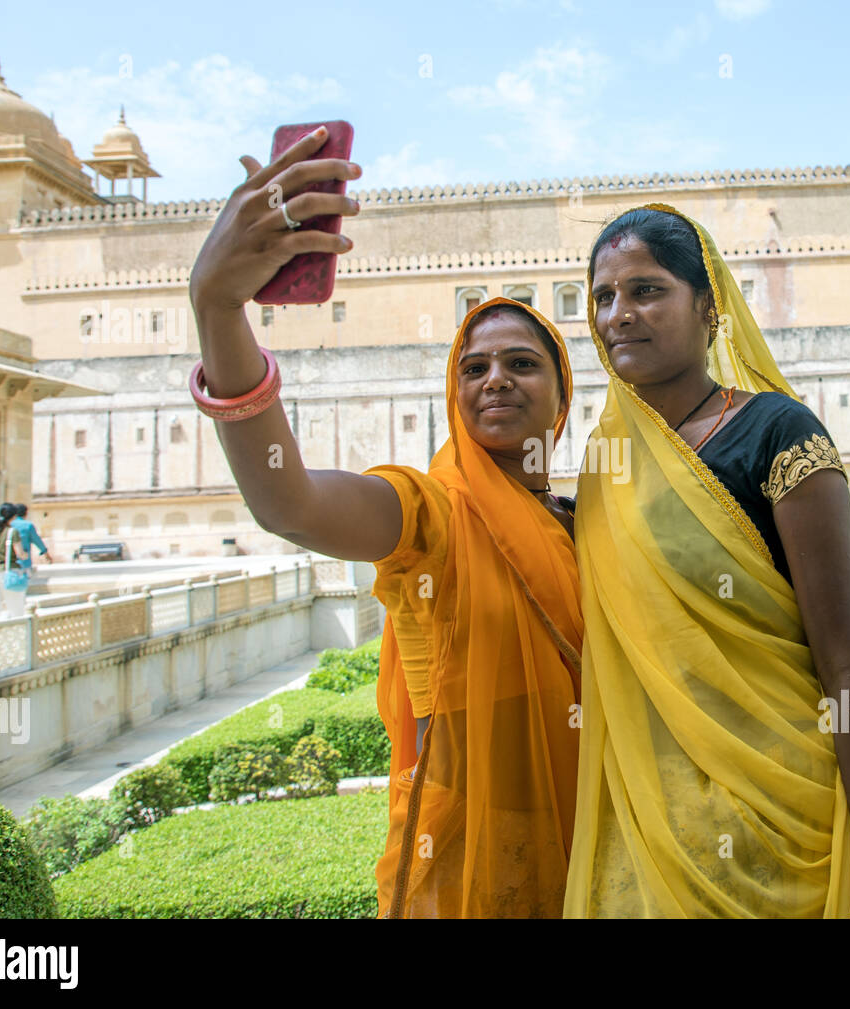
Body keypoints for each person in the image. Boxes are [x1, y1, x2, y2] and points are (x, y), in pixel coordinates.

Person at [187, 124, 583, 918]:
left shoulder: (586, 524)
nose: (495, 379)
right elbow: (287, 503)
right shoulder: (429, 511)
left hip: (599, 843)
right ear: (452, 393)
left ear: (562, 393)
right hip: (468, 861)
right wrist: (218, 306)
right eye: (473, 367)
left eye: (522, 362)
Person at [565, 203, 850, 918]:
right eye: (603, 297)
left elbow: (849, 667)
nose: (618, 314)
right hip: (660, 839)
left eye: (647, 290)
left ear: (708, 306)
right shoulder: (606, 465)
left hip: (788, 828)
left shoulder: (778, 433)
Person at [10, 504, 50, 568]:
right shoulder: (28, 525)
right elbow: (37, 540)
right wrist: (46, 553)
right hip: (24, 560)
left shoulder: (9, 525)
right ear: (26, 513)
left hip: (9, 561)